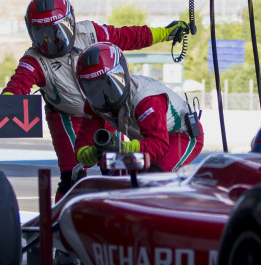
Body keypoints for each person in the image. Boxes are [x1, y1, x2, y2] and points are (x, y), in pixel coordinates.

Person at [2, 0, 189, 200]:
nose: (54, 39)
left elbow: (128, 36)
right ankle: (62, 219)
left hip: (104, 108)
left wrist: (165, 33)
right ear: (31, 33)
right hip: (67, 116)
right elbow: (19, 83)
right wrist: (6, 103)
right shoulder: (33, 59)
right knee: (72, 175)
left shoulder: (90, 32)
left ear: (71, 21)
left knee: (117, 168)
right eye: (43, 34)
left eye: (60, 29)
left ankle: (118, 212)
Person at [74, 42, 203, 173]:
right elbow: (81, 148)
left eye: (108, 84)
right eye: (92, 88)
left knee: (154, 176)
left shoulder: (147, 98)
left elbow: (158, 146)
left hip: (181, 135)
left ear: (123, 73)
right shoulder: (94, 103)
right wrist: (95, 152)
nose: (103, 94)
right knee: (115, 172)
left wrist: (122, 148)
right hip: (147, 142)